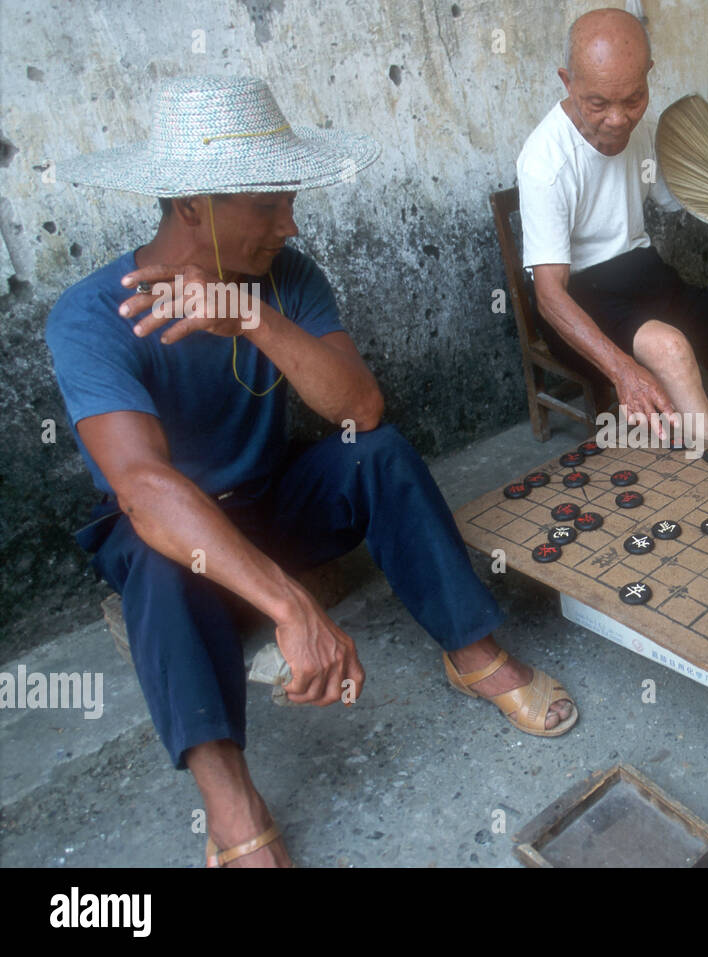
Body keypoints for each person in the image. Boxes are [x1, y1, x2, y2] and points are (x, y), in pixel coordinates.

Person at [46, 75, 576, 868]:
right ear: (191, 203)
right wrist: (292, 606)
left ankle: (472, 652)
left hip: (268, 497)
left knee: (381, 454)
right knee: (154, 566)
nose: (289, 221)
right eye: (266, 205)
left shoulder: (286, 277)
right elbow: (144, 488)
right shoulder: (90, 314)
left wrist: (256, 318)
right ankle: (231, 805)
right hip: (177, 531)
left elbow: (360, 408)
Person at [517, 7, 708, 475]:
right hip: (579, 297)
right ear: (566, 81)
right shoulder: (544, 160)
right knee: (670, 347)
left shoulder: (645, 128)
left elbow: (681, 195)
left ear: (648, 77)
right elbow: (549, 294)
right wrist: (622, 371)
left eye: (633, 99)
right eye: (598, 104)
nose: (618, 120)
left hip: (644, 274)